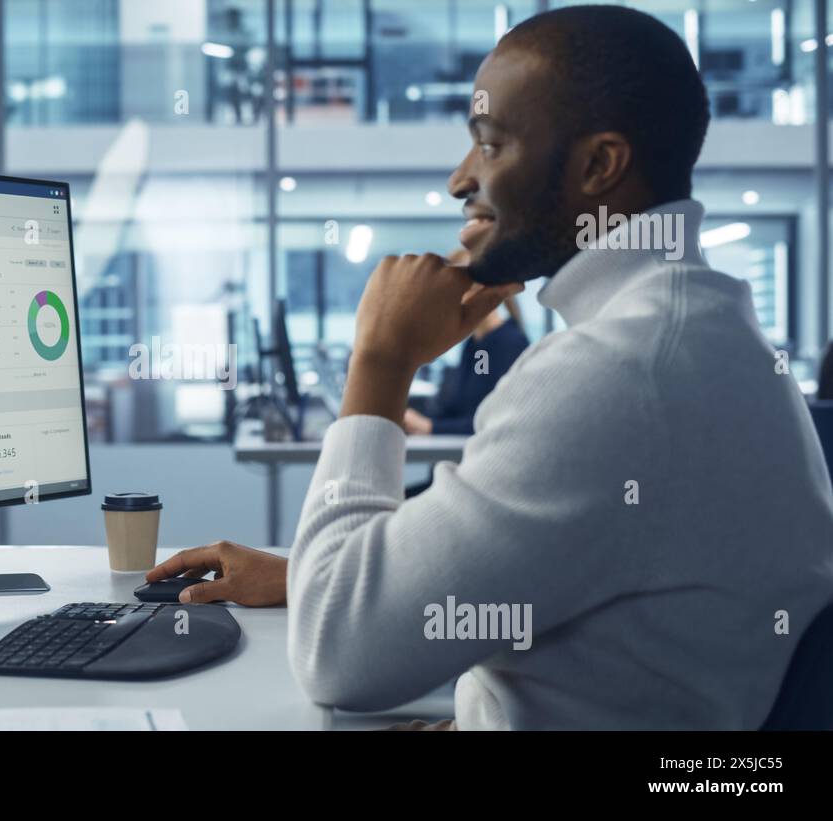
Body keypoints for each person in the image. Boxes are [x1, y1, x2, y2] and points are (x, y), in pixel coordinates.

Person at [147, 5, 833, 729]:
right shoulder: (704, 330)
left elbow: (337, 657)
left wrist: (380, 363)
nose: (459, 180)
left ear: (600, 165)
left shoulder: (612, 374)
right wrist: (311, 580)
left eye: (491, 145)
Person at [402, 293, 528, 437]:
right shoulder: (475, 344)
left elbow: (493, 421)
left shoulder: (509, 343)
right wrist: (420, 421)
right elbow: (465, 407)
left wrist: (430, 426)